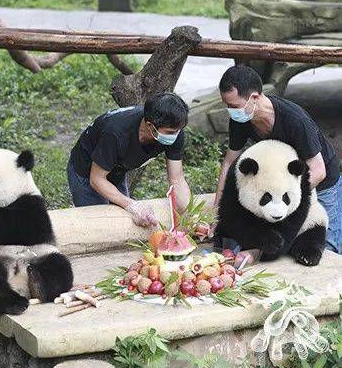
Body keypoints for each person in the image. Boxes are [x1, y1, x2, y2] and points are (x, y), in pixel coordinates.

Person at [213, 65, 341, 259]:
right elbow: (230, 162)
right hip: (280, 186)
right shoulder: (242, 119)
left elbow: (318, 170)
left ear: (254, 98)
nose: (230, 111)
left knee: (325, 250)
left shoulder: (295, 120)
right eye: (227, 105)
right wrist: (217, 211)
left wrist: (285, 200)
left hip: (320, 183)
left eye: (234, 106)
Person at [67, 93, 191, 227]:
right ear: (150, 126)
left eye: (178, 130)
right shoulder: (115, 133)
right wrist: (133, 205)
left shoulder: (174, 131)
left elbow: (177, 179)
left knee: (124, 219)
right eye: (170, 132)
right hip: (86, 171)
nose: (176, 135)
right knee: (99, 225)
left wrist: (190, 217)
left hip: (117, 168)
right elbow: (96, 180)